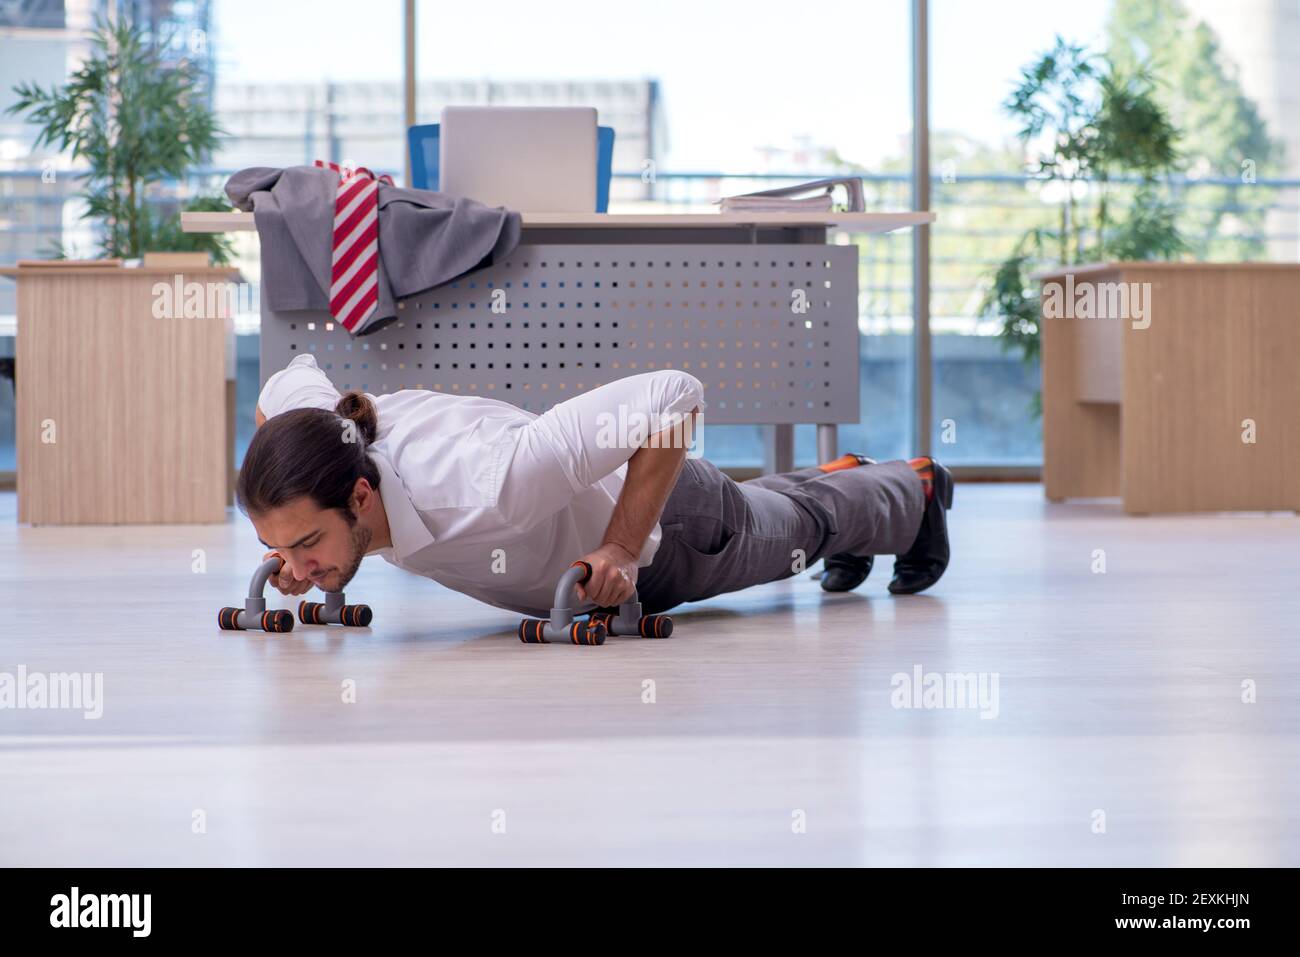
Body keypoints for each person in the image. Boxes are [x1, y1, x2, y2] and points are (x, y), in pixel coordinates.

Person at [238, 354, 952, 620]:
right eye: (281, 550)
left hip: (673, 527)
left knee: (802, 528)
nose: (293, 567)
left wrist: (620, 543)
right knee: (790, 511)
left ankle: (914, 492)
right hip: (635, 503)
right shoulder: (325, 431)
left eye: (306, 543)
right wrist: (302, 551)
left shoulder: (488, 484)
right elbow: (284, 382)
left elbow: (675, 395)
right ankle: (848, 483)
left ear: (361, 496)